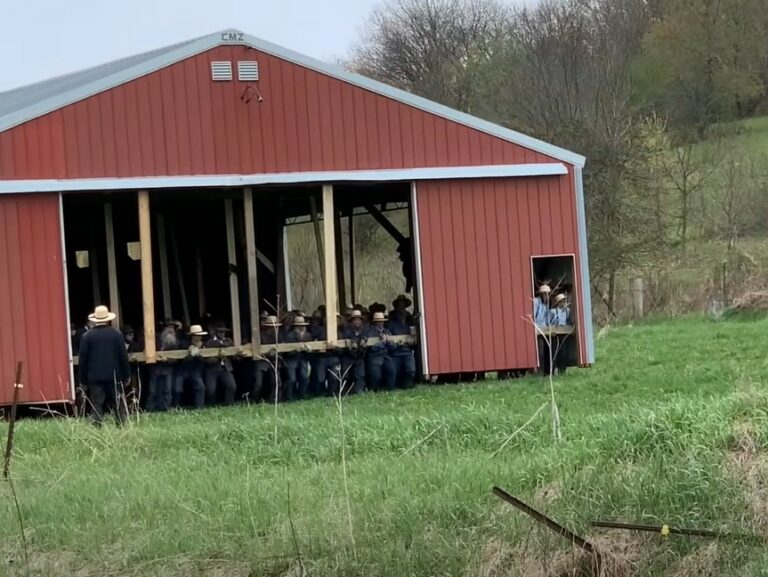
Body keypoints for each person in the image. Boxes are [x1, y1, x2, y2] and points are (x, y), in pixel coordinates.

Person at [77, 306, 130, 426]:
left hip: (95, 378)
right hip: (114, 376)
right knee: (118, 403)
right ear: (108, 319)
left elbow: (83, 360)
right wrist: (126, 375)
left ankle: (96, 427)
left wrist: (82, 380)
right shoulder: (117, 335)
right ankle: (122, 425)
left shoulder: (87, 336)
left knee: (97, 404)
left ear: (94, 319)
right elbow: (123, 357)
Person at [149, 319, 182, 411]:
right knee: (153, 390)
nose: (171, 329)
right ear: (164, 328)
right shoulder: (154, 338)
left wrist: (168, 360)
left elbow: (178, 357)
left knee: (167, 390)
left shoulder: (176, 342)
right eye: (169, 327)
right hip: (155, 367)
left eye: (173, 327)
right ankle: (151, 408)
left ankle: (167, 407)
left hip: (168, 368)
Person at [174, 324, 208, 409]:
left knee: (200, 387)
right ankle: (175, 407)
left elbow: (203, 361)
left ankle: (199, 407)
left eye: (200, 335)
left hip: (195, 370)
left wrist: (198, 352)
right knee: (178, 389)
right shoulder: (184, 344)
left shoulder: (203, 345)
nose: (199, 337)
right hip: (182, 370)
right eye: (197, 335)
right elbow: (182, 360)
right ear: (192, 336)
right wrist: (192, 354)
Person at [204, 322, 238, 405]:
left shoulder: (229, 341)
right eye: (220, 332)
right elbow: (207, 360)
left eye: (224, 332)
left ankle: (229, 404)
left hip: (226, 368)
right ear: (216, 332)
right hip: (213, 369)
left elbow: (233, 356)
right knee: (211, 390)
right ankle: (212, 405)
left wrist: (234, 353)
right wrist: (218, 357)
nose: (222, 334)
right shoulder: (209, 343)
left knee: (232, 386)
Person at [284, 315, 312, 401]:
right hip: (291, 360)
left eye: (303, 325)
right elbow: (286, 353)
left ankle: (302, 395)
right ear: (295, 326)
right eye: (300, 325)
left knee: (305, 378)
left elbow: (311, 350)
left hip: (302, 359)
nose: (302, 327)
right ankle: (289, 397)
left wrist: (309, 351)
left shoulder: (308, 335)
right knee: (292, 379)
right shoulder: (289, 336)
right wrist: (296, 350)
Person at [366, 312, 396, 391]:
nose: (380, 323)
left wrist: (389, 342)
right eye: (378, 321)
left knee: (392, 371)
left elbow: (393, 347)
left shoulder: (387, 331)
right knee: (376, 376)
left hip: (385, 356)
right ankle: (376, 391)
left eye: (382, 321)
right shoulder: (370, 333)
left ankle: (390, 390)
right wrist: (383, 342)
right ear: (374, 322)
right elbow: (373, 348)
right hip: (374, 357)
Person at [255, 315, 281, 403]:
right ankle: (256, 401)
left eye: (275, 326)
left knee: (277, 382)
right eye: (271, 327)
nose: (273, 329)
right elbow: (256, 351)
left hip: (274, 361)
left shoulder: (279, 336)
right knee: (258, 384)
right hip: (262, 361)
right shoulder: (260, 336)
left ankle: (273, 400)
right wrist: (267, 353)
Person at [341, 310, 367, 394]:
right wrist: (354, 342)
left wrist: (363, 342)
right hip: (347, 356)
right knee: (345, 376)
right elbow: (346, 339)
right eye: (355, 320)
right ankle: (344, 392)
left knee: (360, 375)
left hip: (359, 356)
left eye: (359, 319)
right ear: (351, 321)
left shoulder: (364, 331)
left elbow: (367, 338)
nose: (357, 321)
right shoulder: (346, 330)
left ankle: (359, 391)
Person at [388, 309, 416, 388]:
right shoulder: (392, 324)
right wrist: (396, 343)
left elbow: (414, 338)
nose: (402, 315)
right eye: (400, 314)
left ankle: (408, 385)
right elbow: (389, 338)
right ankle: (395, 386)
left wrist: (412, 342)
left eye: (404, 314)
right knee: (394, 372)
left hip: (407, 352)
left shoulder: (410, 324)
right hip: (395, 352)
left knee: (411, 370)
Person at [534, 283, 553, 377]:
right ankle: (539, 372)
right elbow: (533, 316)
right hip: (537, 330)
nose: (547, 296)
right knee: (540, 352)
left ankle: (547, 371)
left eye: (548, 294)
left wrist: (548, 327)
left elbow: (546, 318)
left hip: (544, 330)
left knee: (547, 350)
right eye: (545, 294)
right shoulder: (536, 302)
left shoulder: (546, 305)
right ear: (541, 294)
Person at [550, 293, 571, 376]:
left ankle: (562, 371)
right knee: (555, 353)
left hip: (564, 334)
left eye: (564, 301)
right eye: (561, 301)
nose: (563, 303)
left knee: (564, 353)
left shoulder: (568, 311)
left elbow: (569, 320)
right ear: (558, 303)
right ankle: (553, 371)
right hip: (556, 335)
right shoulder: (553, 312)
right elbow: (549, 322)